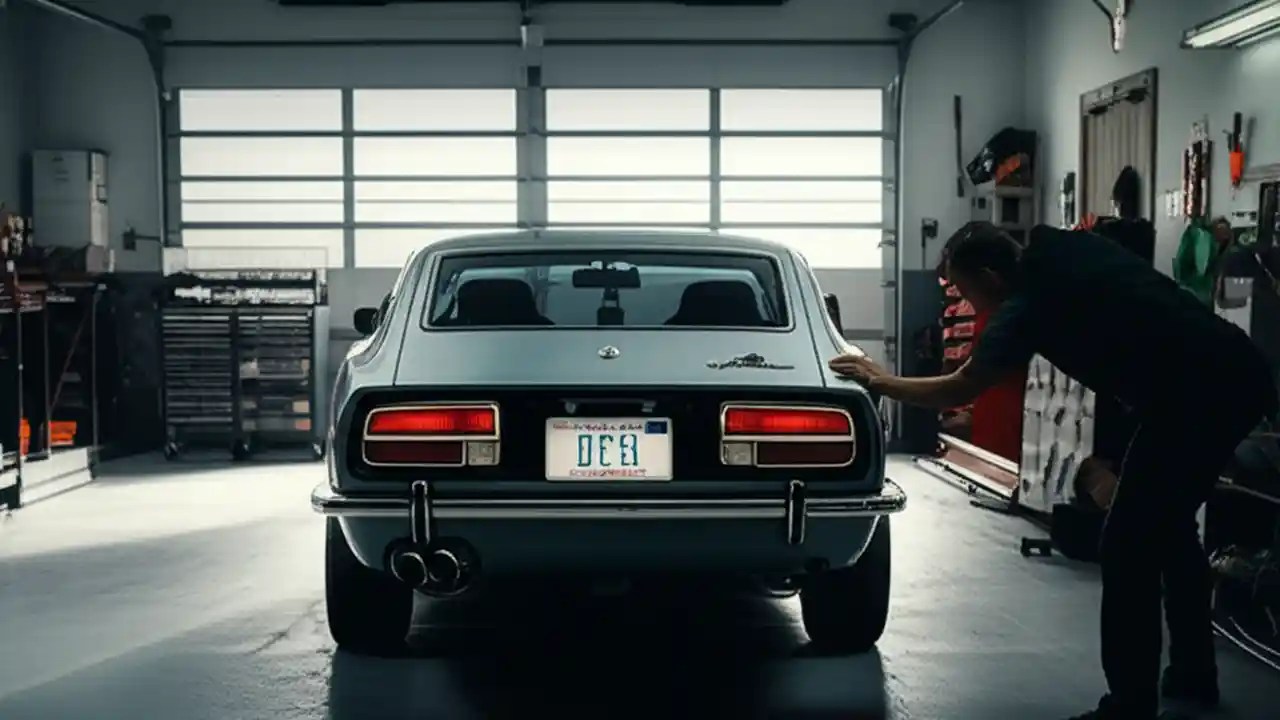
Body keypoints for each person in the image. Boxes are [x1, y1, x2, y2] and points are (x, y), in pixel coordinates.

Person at [830, 221, 1278, 720]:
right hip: (1226, 374)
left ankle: (1130, 705)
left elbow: (958, 389)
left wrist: (880, 380)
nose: (968, 302)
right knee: (1168, 529)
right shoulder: (1064, 247)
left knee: (1128, 542)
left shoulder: (1027, 304)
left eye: (965, 290)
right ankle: (1193, 676)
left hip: (1199, 395)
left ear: (990, 277)